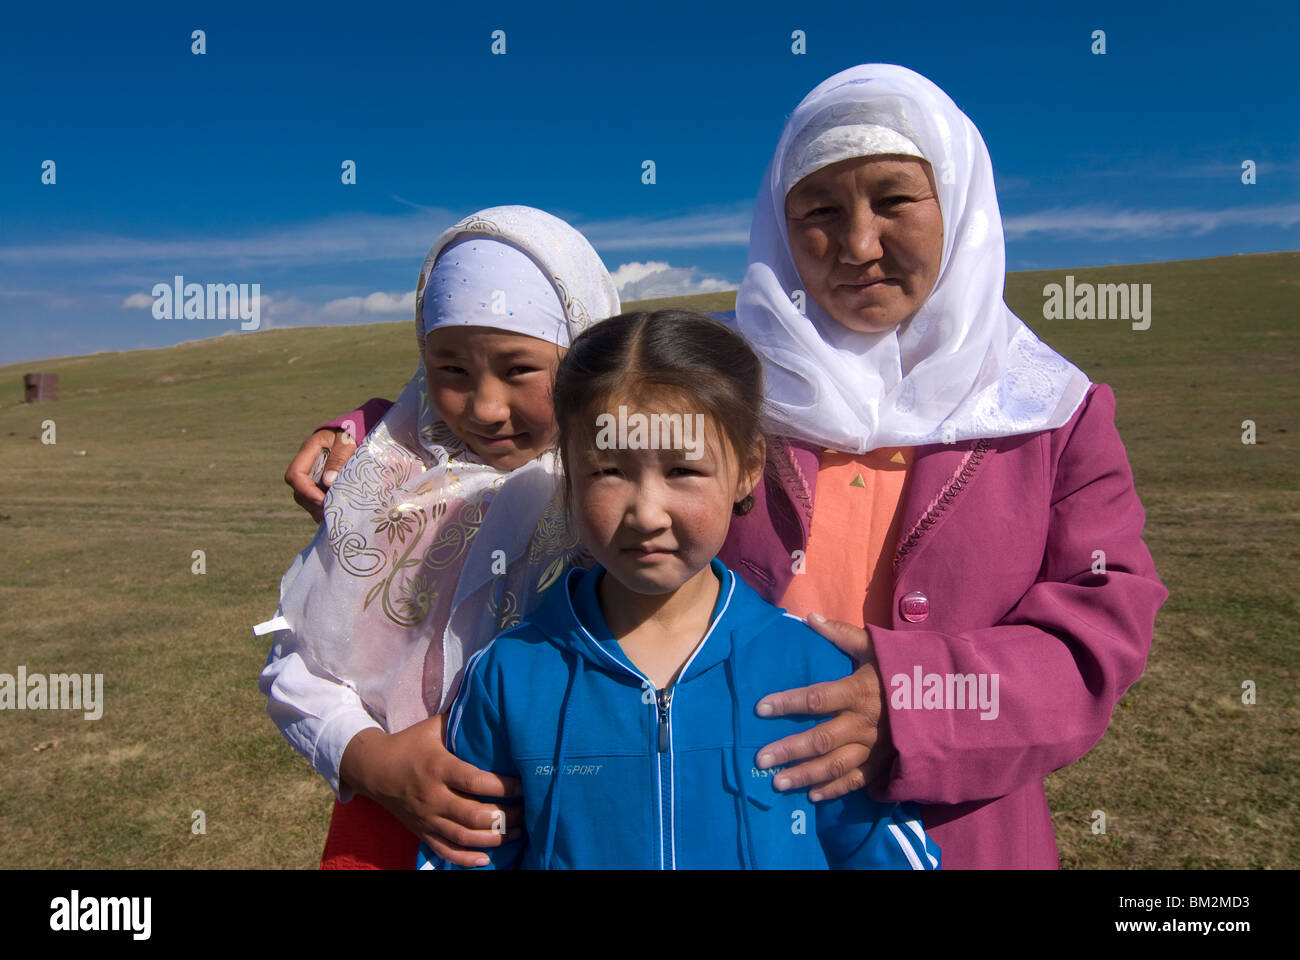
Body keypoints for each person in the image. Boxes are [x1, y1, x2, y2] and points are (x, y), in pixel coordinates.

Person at [287, 64, 1167, 868]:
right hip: (704, 810)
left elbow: (1101, 633)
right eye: (818, 210)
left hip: (967, 831)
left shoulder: (1052, 411)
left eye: (896, 200)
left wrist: (914, 703)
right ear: (778, 222)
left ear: (961, 201)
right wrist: (371, 430)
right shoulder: (717, 375)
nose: (858, 242)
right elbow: (558, 371)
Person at [421, 309, 940, 869]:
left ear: (745, 469)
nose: (646, 513)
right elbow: (465, 858)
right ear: (569, 471)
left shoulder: (813, 673)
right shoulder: (508, 676)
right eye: (608, 472)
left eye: (682, 472)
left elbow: (879, 855)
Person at [258, 205, 620, 869]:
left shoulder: (614, 497)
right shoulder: (392, 483)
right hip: (383, 832)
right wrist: (375, 761)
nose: (484, 407)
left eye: (519, 369)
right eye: (451, 371)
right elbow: (299, 662)